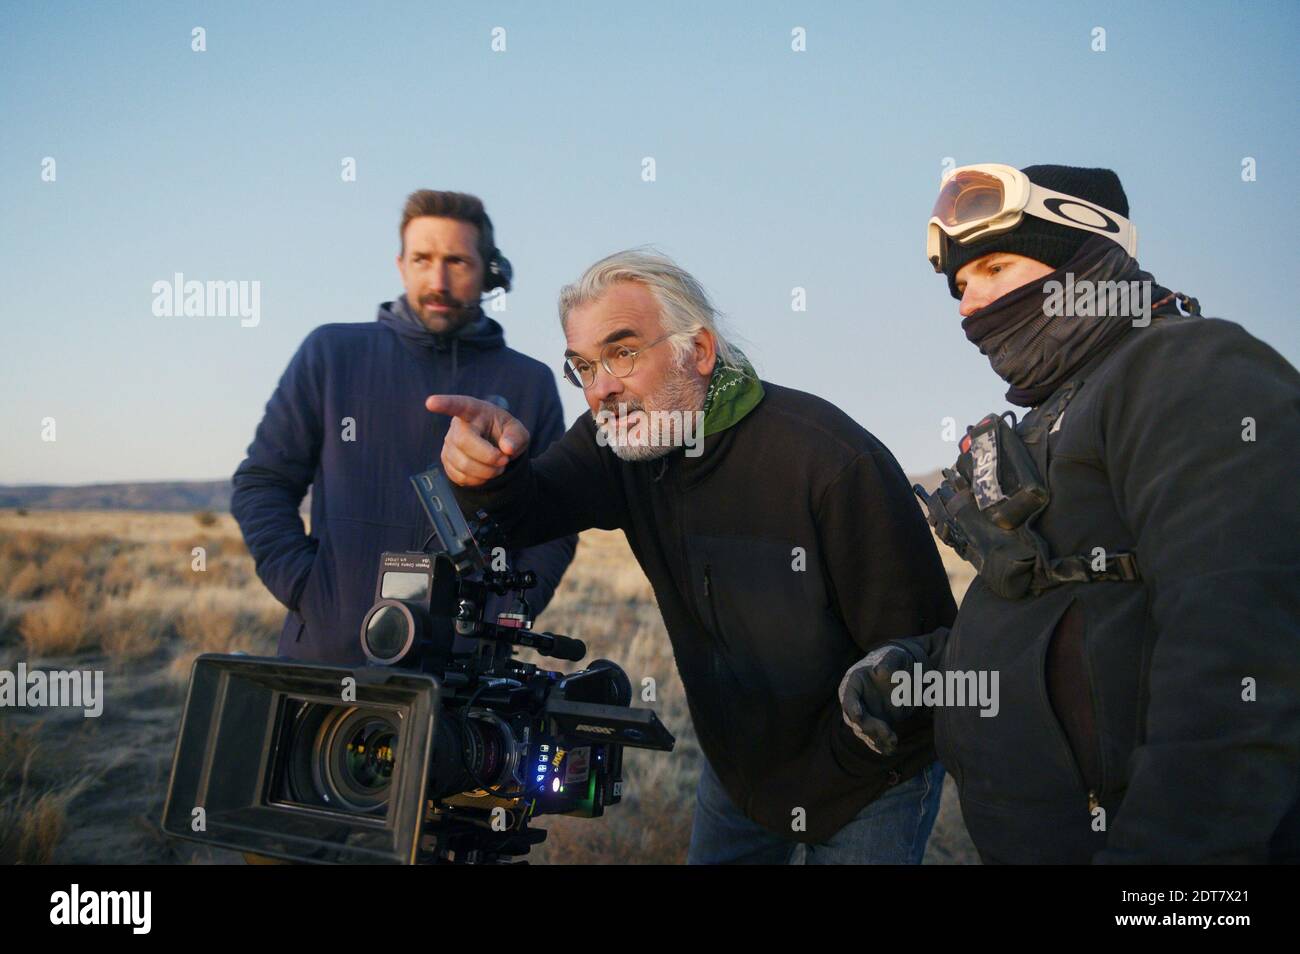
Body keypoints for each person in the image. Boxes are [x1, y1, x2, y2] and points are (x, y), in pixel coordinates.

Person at [427, 249, 956, 864]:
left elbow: (921, 655)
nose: (601, 390)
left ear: (698, 351)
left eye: (622, 353)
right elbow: (526, 512)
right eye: (583, 366)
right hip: (739, 772)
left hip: (871, 778)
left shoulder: (830, 462)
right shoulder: (616, 445)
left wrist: (855, 754)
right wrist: (489, 471)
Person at [840, 163, 1300, 863]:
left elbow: (1244, 649)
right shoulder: (1053, 416)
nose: (971, 306)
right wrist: (928, 671)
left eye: (994, 267)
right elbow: (1068, 610)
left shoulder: (1189, 368)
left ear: (1084, 261)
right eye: (960, 287)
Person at [231, 190, 576, 665]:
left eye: (456, 261)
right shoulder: (331, 354)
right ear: (400, 265)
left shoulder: (529, 382)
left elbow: (553, 522)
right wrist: (312, 591)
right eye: (422, 258)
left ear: (488, 270)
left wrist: (505, 613)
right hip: (330, 661)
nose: (438, 279)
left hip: (467, 677)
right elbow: (262, 483)